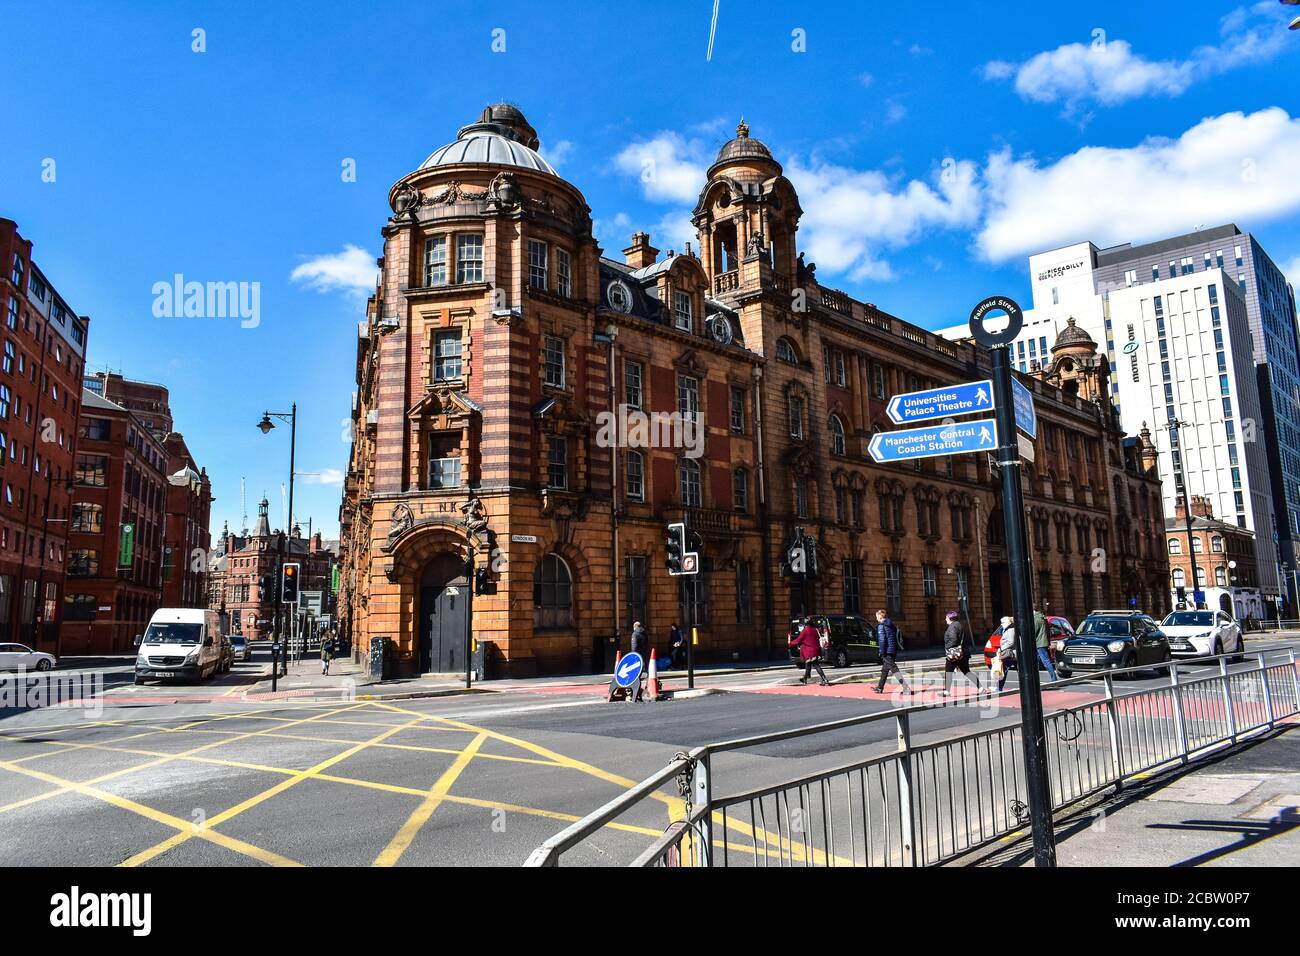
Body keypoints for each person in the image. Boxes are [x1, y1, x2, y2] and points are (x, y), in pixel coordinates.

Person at [872, 609, 913, 694]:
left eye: (876, 617)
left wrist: (882, 652)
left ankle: (906, 688)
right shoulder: (890, 624)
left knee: (894, 669)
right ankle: (880, 687)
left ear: (880, 616)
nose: (876, 619)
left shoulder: (881, 626)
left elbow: (882, 640)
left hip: (887, 651)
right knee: (885, 670)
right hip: (893, 649)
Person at [941, 610, 980, 696]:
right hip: (963, 652)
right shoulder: (959, 625)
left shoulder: (952, 627)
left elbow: (953, 639)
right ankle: (980, 688)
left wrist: (947, 648)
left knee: (948, 672)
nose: (945, 619)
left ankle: (947, 691)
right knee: (967, 672)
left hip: (954, 653)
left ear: (950, 618)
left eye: (946, 617)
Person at [788, 617, 830, 686]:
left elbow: (798, 640)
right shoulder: (815, 630)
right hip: (815, 650)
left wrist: (790, 643)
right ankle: (807, 679)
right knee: (810, 665)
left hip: (808, 652)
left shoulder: (805, 630)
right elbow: (818, 638)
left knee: (815, 665)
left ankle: (823, 679)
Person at [1034, 604, 1059, 682]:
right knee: (1043, 661)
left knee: (1045, 661)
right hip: (1043, 642)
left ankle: (1054, 678)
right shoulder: (1042, 617)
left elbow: (1034, 631)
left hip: (1039, 643)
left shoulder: (1036, 618)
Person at [994, 616, 1016, 692]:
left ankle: (999, 688)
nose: (1001, 624)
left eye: (1002, 622)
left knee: (1004, 670)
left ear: (1008, 623)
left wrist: (1001, 648)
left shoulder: (1010, 630)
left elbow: (1011, 642)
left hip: (1009, 654)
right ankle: (999, 687)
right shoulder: (1008, 629)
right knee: (1005, 670)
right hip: (1011, 653)